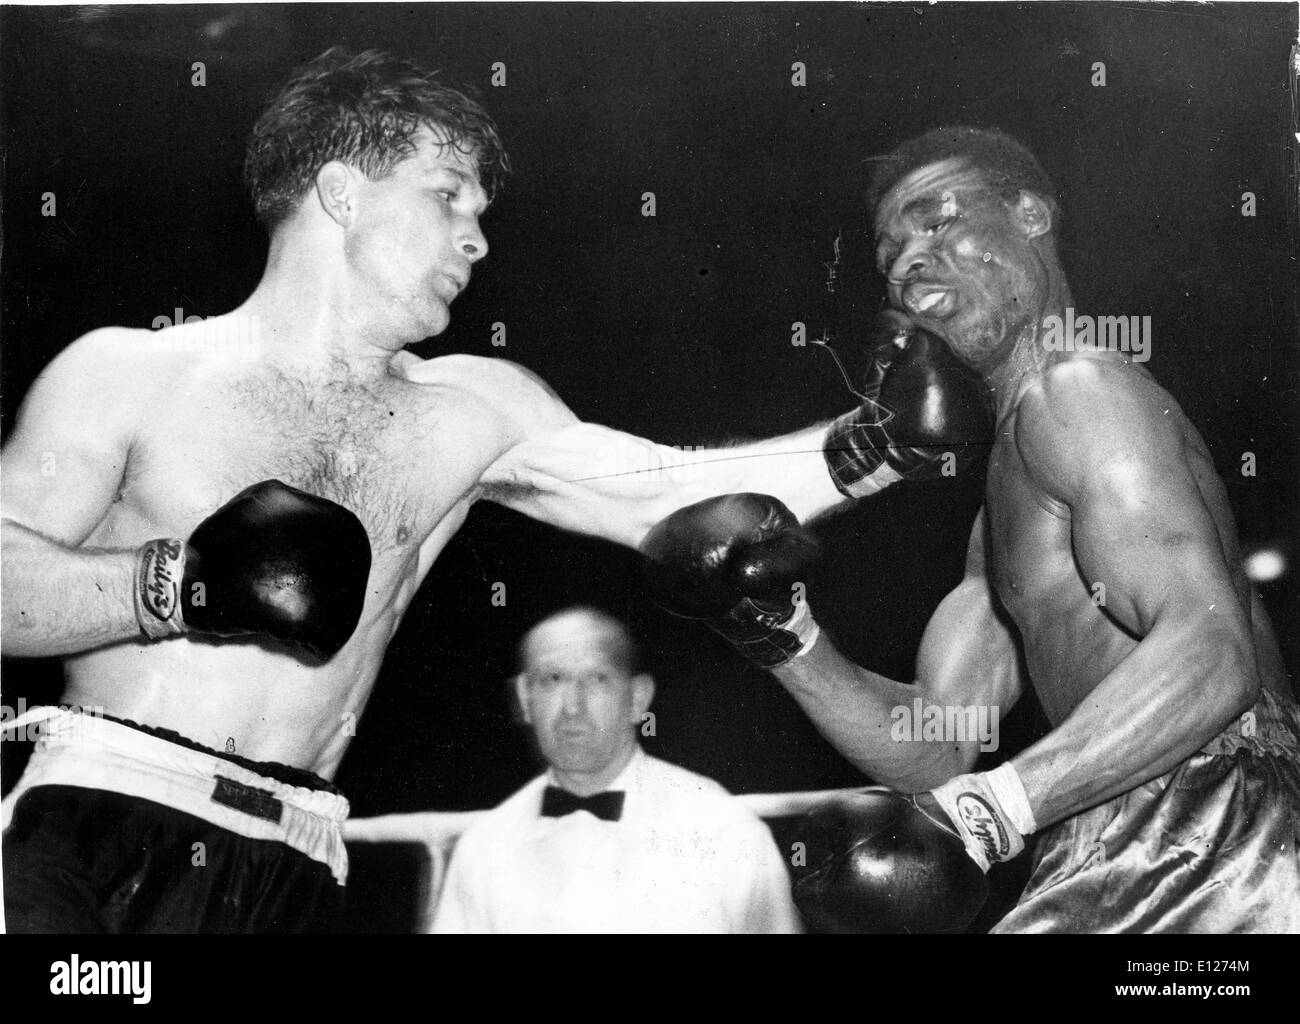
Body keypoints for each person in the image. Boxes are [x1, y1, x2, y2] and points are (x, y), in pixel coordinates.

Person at [0, 47, 986, 932]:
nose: (476, 240)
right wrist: (173, 584)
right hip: (100, 815)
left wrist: (877, 446)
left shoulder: (474, 407)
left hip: (299, 856)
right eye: (447, 197)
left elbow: (662, 492)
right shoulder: (128, 373)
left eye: (482, 213)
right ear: (340, 192)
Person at [639, 127, 1300, 933]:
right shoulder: (1002, 502)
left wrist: (986, 813)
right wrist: (784, 635)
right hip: (1098, 823)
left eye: (937, 221)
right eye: (891, 255)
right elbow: (940, 741)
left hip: (1214, 833)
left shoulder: (1081, 387)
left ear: (1030, 214)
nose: (908, 259)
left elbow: (1212, 656)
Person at [430, 607, 800, 933]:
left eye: (596, 679)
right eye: (552, 680)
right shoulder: (483, 850)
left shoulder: (723, 832)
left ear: (638, 698)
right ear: (526, 700)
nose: (572, 707)